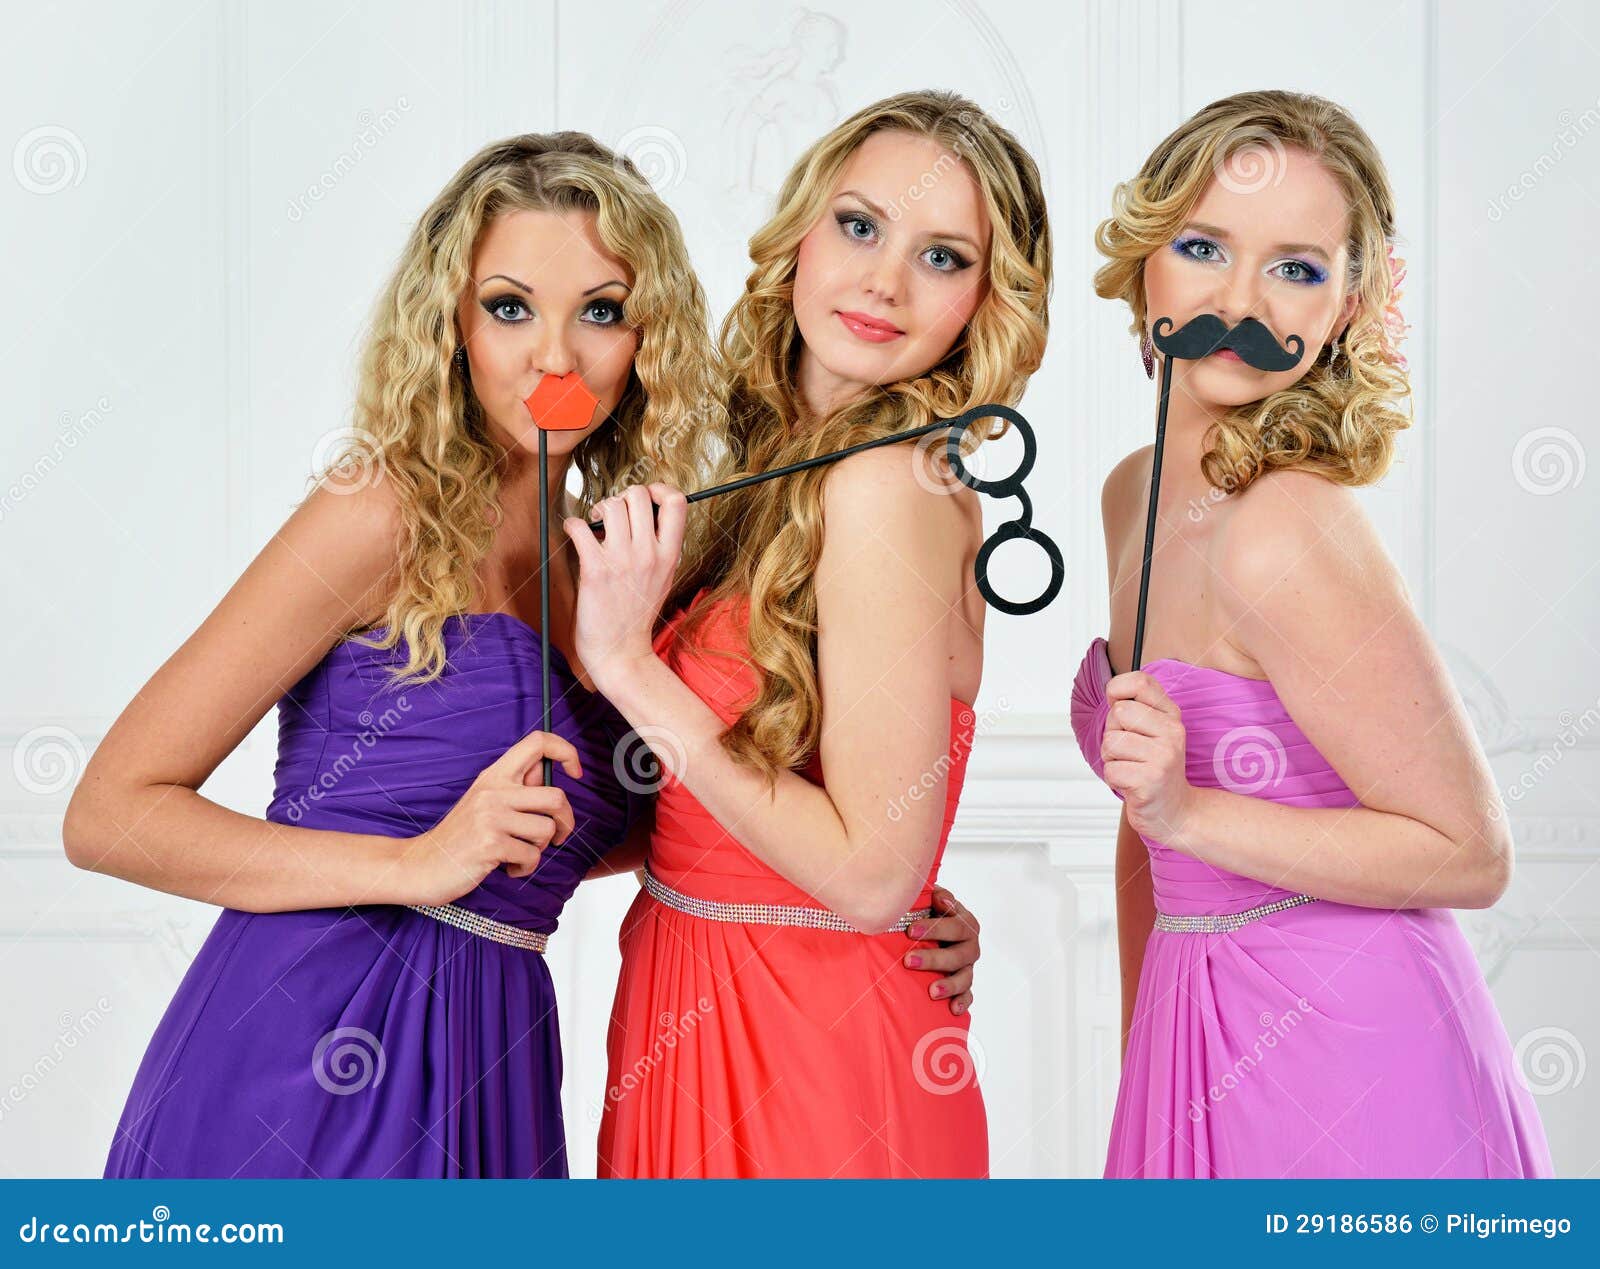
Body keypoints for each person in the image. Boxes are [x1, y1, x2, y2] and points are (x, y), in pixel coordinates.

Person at [571, 90, 1051, 1178]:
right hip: (694, 995)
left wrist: (628, 667)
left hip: (811, 1051)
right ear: (801, 233)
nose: (884, 280)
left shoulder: (887, 486)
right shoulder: (766, 464)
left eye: (942, 256)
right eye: (860, 224)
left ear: (986, 302)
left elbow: (872, 879)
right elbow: (718, 813)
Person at [1073, 90, 1552, 1178]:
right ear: (1146, 257)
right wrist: (1143, 1058)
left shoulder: (1282, 522)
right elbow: (1147, 831)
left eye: (1295, 267)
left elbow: (1469, 852)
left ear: (1344, 307)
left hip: (1348, 1051)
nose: (1239, 300)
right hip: (1189, 1027)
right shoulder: (1131, 493)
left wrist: (1192, 809)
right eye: (1203, 247)